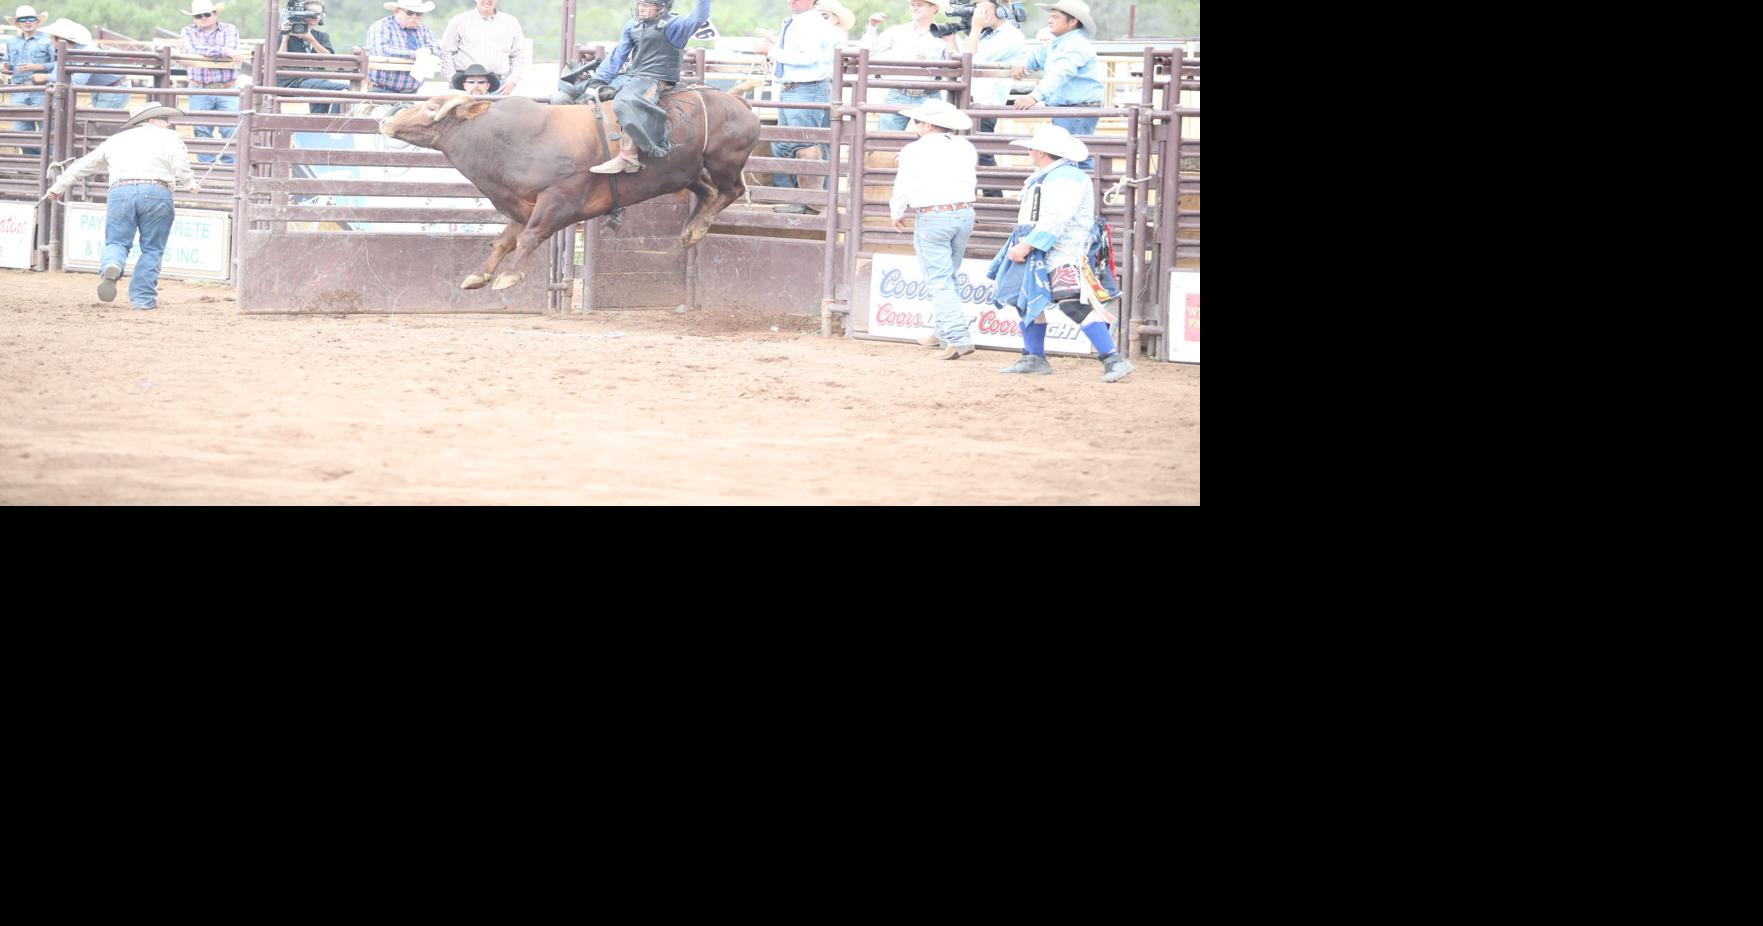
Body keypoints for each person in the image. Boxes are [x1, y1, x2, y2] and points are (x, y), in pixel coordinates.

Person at [989, 125, 1132, 382]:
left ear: (1042, 152)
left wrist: (1028, 243)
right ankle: (1034, 356)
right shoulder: (1054, 175)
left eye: (1032, 147)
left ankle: (1112, 357)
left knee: (1072, 303)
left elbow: (1056, 219)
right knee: (1024, 298)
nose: (1030, 151)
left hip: (1062, 249)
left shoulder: (1063, 179)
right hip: (1047, 246)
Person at [44, 102, 199, 311]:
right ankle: (142, 300)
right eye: (166, 120)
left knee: (116, 242)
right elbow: (179, 161)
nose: (169, 124)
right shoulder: (168, 137)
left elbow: (84, 164)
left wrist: (58, 186)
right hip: (156, 192)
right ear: (153, 120)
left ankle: (112, 265)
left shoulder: (115, 140)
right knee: (152, 248)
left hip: (120, 191)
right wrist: (190, 183)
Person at [889, 99, 978, 359]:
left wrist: (897, 211)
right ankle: (941, 331)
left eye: (917, 121)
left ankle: (957, 336)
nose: (914, 125)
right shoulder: (965, 146)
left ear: (927, 125)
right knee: (948, 273)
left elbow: (903, 185)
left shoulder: (913, 151)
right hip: (963, 212)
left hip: (933, 216)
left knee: (939, 279)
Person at [586, 0, 711, 174]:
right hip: (632, 76)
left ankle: (629, 157)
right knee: (584, 94)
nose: (641, 8)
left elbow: (699, 17)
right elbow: (617, 56)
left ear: (662, 6)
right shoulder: (633, 26)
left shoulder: (675, 25)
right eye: (640, 4)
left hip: (657, 78)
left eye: (647, 4)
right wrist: (598, 80)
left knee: (627, 101)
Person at [754, 0, 840, 213]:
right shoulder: (801, 21)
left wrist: (771, 51)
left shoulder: (810, 23)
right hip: (797, 88)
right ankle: (809, 200)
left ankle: (810, 202)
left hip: (805, 88)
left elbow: (808, 58)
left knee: (805, 144)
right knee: (795, 143)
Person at [1009, 0, 1102, 171]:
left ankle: (1087, 193)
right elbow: (1035, 57)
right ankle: (1088, 192)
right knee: (1070, 155)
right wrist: (1022, 64)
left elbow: (1060, 73)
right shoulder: (1057, 43)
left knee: (1072, 156)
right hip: (1070, 110)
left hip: (1076, 110)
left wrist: (1034, 96)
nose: (1049, 20)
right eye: (1050, 16)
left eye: (1055, 17)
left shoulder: (1076, 46)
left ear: (1073, 21)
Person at [860, 0, 956, 132]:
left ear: (934, 8)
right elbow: (867, 52)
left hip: (929, 94)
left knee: (934, 138)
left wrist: (949, 44)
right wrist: (872, 27)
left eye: (920, 5)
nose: (914, 8)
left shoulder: (945, 34)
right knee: (886, 140)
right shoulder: (897, 31)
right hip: (899, 92)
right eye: (913, 4)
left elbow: (955, 65)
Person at [961, 0, 1023, 197]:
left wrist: (975, 28)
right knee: (968, 155)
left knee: (983, 155)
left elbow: (969, 61)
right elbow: (960, 56)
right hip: (970, 102)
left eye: (981, 6)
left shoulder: (1010, 36)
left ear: (999, 8)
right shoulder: (987, 34)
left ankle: (993, 204)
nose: (977, 11)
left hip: (985, 103)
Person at [179, 1, 238, 165]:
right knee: (201, 129)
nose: (203, 18)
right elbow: (193, 49)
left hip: (228, 87)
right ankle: (207, 167)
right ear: (194, 18)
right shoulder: (187, 31)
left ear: (215, 14)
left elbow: (197, 49)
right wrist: (224, 51)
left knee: (231, 129)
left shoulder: (229, 29)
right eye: (199, 16)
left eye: (207, 14)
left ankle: (230, 168)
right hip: (200, 87)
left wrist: (205, 52)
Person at [439, 0, 527, 97]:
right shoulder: (459, 21)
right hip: (465, 85)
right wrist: (453, 79)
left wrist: (513, 80)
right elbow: (445, 52)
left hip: (499, 86)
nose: (486, 1)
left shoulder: (511, 22)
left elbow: (519, 55)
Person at [276, 1, 348, 115]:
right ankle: (336, 125)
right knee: (345, 88)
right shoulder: (283, 34)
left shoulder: (321, 36)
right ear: (302, 14)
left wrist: (311, 39)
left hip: (315, 80)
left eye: (320, 14)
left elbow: (331, 61)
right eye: (312, 13)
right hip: (291, 82)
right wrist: (285, 37)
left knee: (323, 100)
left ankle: (323, 126)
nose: (317, 17)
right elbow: (279, 64)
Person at [41, 19, 129, 110]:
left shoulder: (85, 51)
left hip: (114, 87)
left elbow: (79, 80)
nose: (50, 40)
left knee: (102, 121)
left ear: (59, 39)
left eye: (51, 38)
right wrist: (50, 77)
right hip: (103, 87)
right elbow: (58, 72)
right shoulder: (66, 51)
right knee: (99, 119)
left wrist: (47, 77)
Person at [6, 6, 53, 155]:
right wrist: (5, 67)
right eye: (23, 19)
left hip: (41, 90)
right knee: (21, 131)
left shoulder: (48, 42)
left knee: (47, 128)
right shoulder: (12, 42)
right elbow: (9, 64)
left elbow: (57, 65)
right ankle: (32, 164)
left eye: (31, 18)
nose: (27, 22)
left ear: (37, 22)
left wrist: (38, 66)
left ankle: (48, 164)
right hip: (18, 90)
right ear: (18, 23)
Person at [367, 1, 443, 95]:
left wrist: (428, 50)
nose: (414, 16)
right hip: (382, 90)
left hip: (413, 92)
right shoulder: (381, 26)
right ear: (397, 11)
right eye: (409, 12)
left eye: (418, 13)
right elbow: (382, 50)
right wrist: (416, 54)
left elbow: (437, 49)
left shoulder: (423, 29)